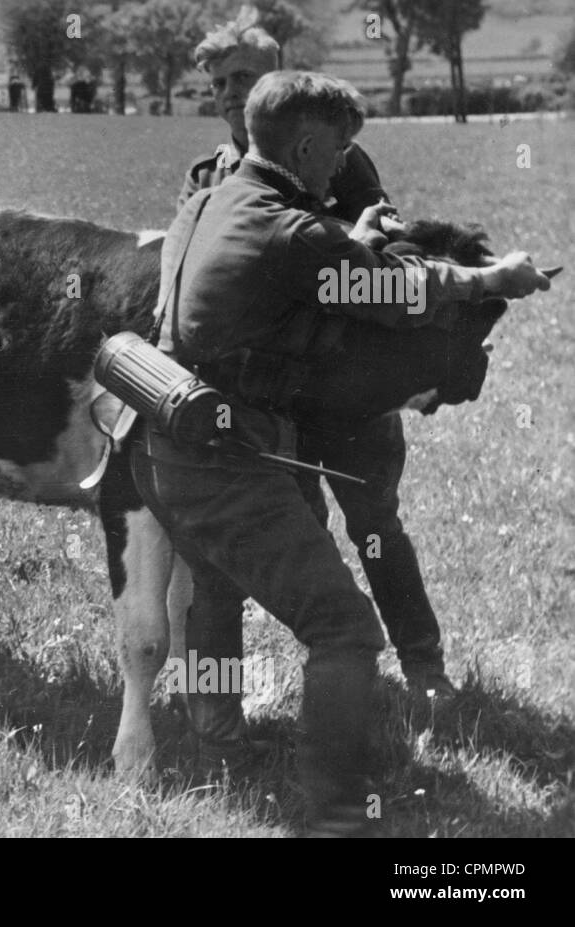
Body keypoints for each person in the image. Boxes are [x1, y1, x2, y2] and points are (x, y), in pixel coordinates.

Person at [136, 70, 549, 835]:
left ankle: (218, 740)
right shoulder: (291, 231)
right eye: (337, 151)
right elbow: (396, 290)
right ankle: (335, 820)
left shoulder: (210, 202)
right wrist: (496, 278)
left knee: (219, 589)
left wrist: (343, 247)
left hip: (167, 439)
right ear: (303, 144)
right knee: (344, 629)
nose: (342, 169)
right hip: (226, 460)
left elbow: (295, 275)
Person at [177, 10, 457, 709]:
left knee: (374, 526)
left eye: (243, 77)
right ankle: (253, 704)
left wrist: (336, 243)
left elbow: (394, 255)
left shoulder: (342, 156)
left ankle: (425, 671)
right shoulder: (207, 175)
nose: (228, 93)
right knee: (243, 555)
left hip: (345, 392)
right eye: (216, 83)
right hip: (259, 405)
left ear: (276, 77)